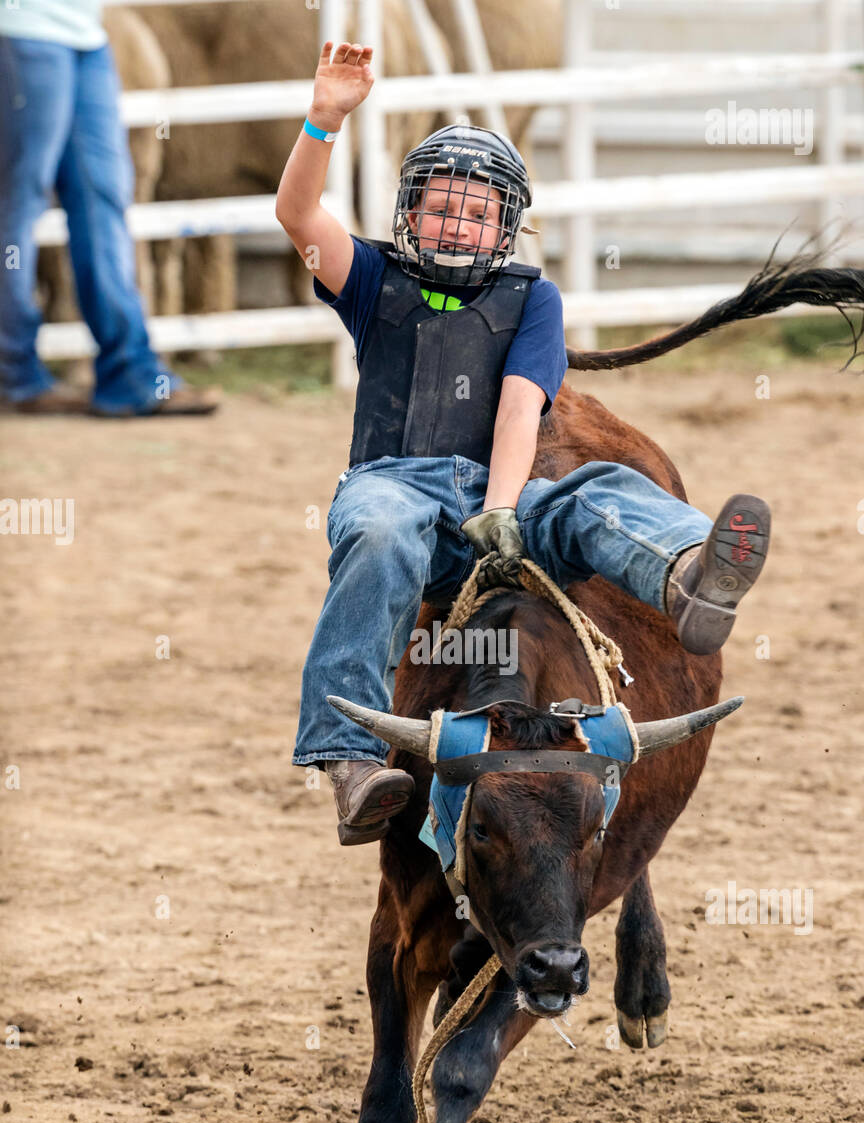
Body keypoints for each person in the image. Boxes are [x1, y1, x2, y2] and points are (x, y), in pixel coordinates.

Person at [276, 40, 771, 845]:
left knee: (594, 492)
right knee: (380, 528)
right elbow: (297, 216)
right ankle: (348, 760)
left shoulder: (530, 298)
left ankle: (690, 572)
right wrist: (323, 122)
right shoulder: (373, 279)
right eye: (441, 205)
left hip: (489, 494)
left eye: (478, 212)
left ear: (506, 226)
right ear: (408, 210)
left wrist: (502, 509)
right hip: (394, 486)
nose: (458, 222)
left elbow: (517, 409)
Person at [0, 0, 218, 416]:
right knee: (17, 202)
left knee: (105, 199)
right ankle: (14, 373)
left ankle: (130, 374)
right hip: (22, 27)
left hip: (86, 31)